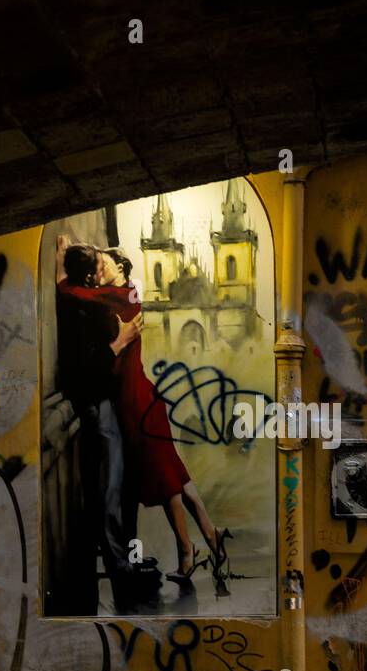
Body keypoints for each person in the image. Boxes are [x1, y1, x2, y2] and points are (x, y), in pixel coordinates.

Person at [94, 247, 233, 592]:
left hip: (139, 402)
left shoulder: (124, 296)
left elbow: (81, 292)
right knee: (173, 473)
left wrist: (64, 271)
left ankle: (188, 552)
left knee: (166, 477)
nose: (97, 272)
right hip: (138, 401)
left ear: (122, 269)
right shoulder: (120, 297)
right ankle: (211, 535)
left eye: (103, 265)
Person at [55, 239, 159, 612]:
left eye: (105, 261)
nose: (103, 266)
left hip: (111, 403)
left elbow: (72, 289)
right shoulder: (86, 304)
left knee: (116, 489)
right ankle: (121, 568)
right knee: (111, 491)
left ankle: (123, 564)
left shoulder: (97, 298)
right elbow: (89, 363)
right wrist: (122, 341)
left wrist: (66, 266)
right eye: (98, 263)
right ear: (89, 273)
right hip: (100, 404)